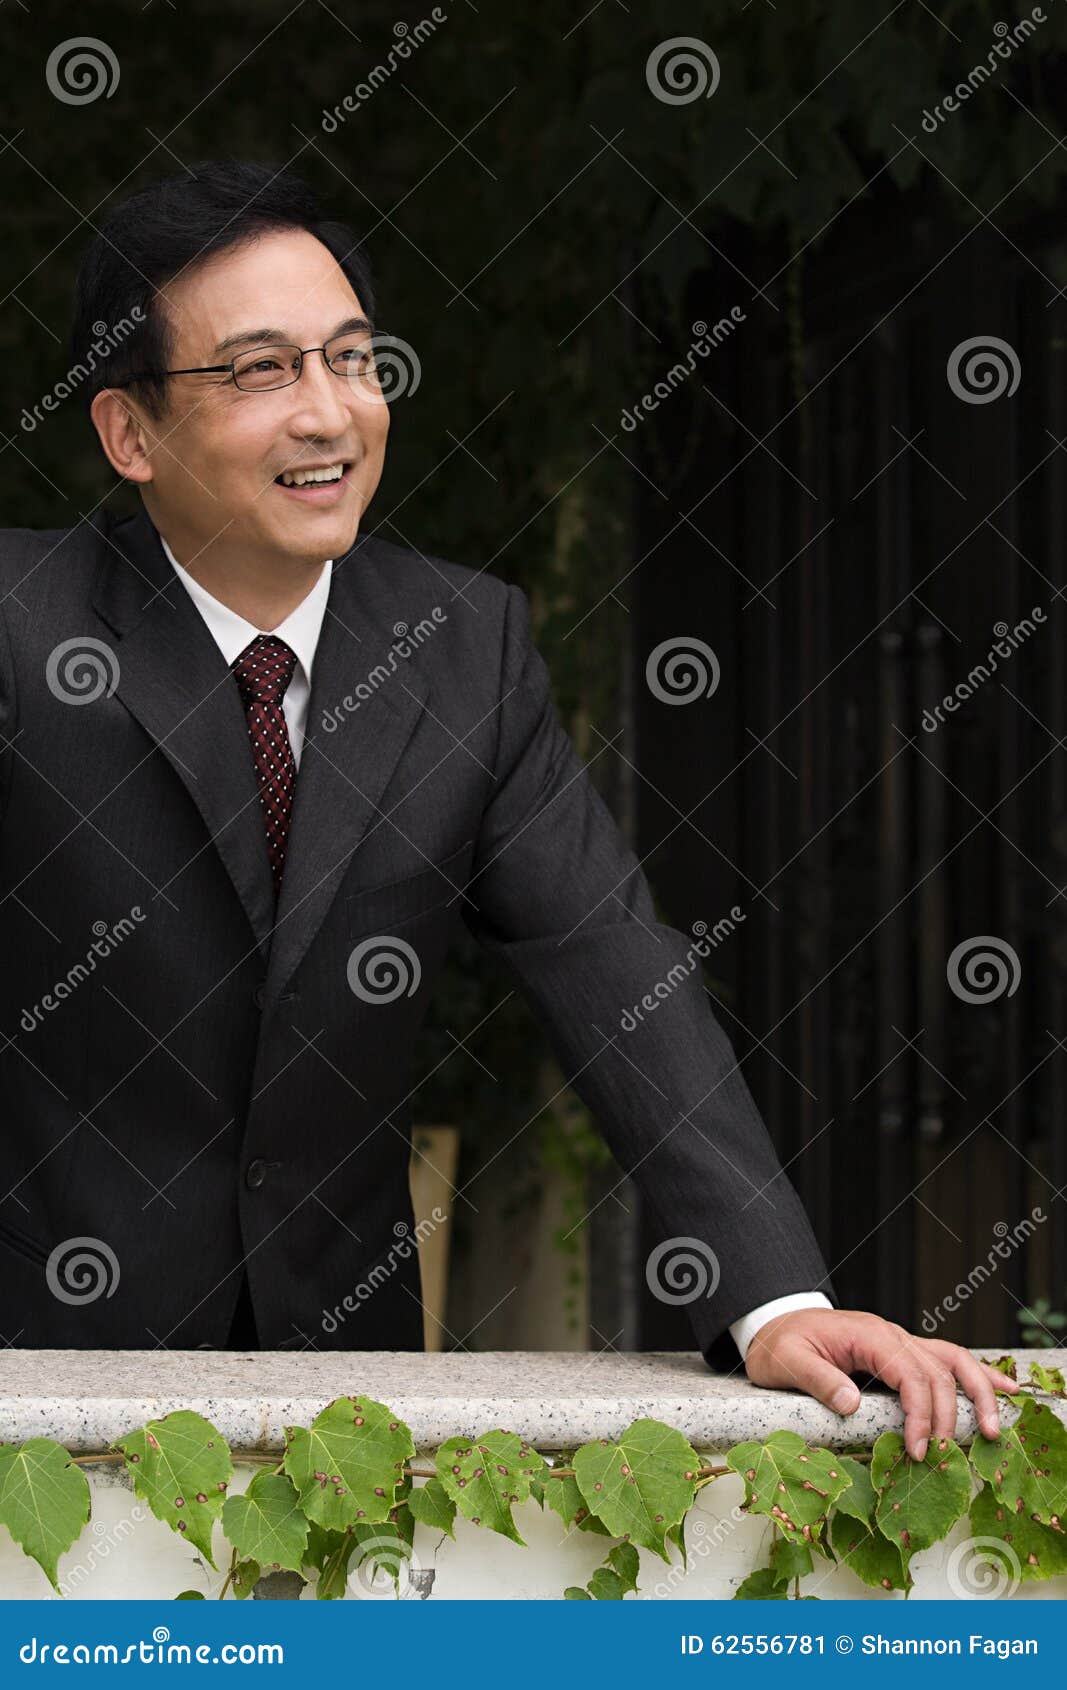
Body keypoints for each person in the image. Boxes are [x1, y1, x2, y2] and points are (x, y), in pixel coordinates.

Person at [0, 160, 1018, 1463]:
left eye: (353, 359)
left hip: (348, 1408)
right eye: (259, 371)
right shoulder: (26, 635)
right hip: (42, 1382)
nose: (329, 412)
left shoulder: (460, 648)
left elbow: (611, 964)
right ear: (128, 432)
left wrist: (778, 1301)